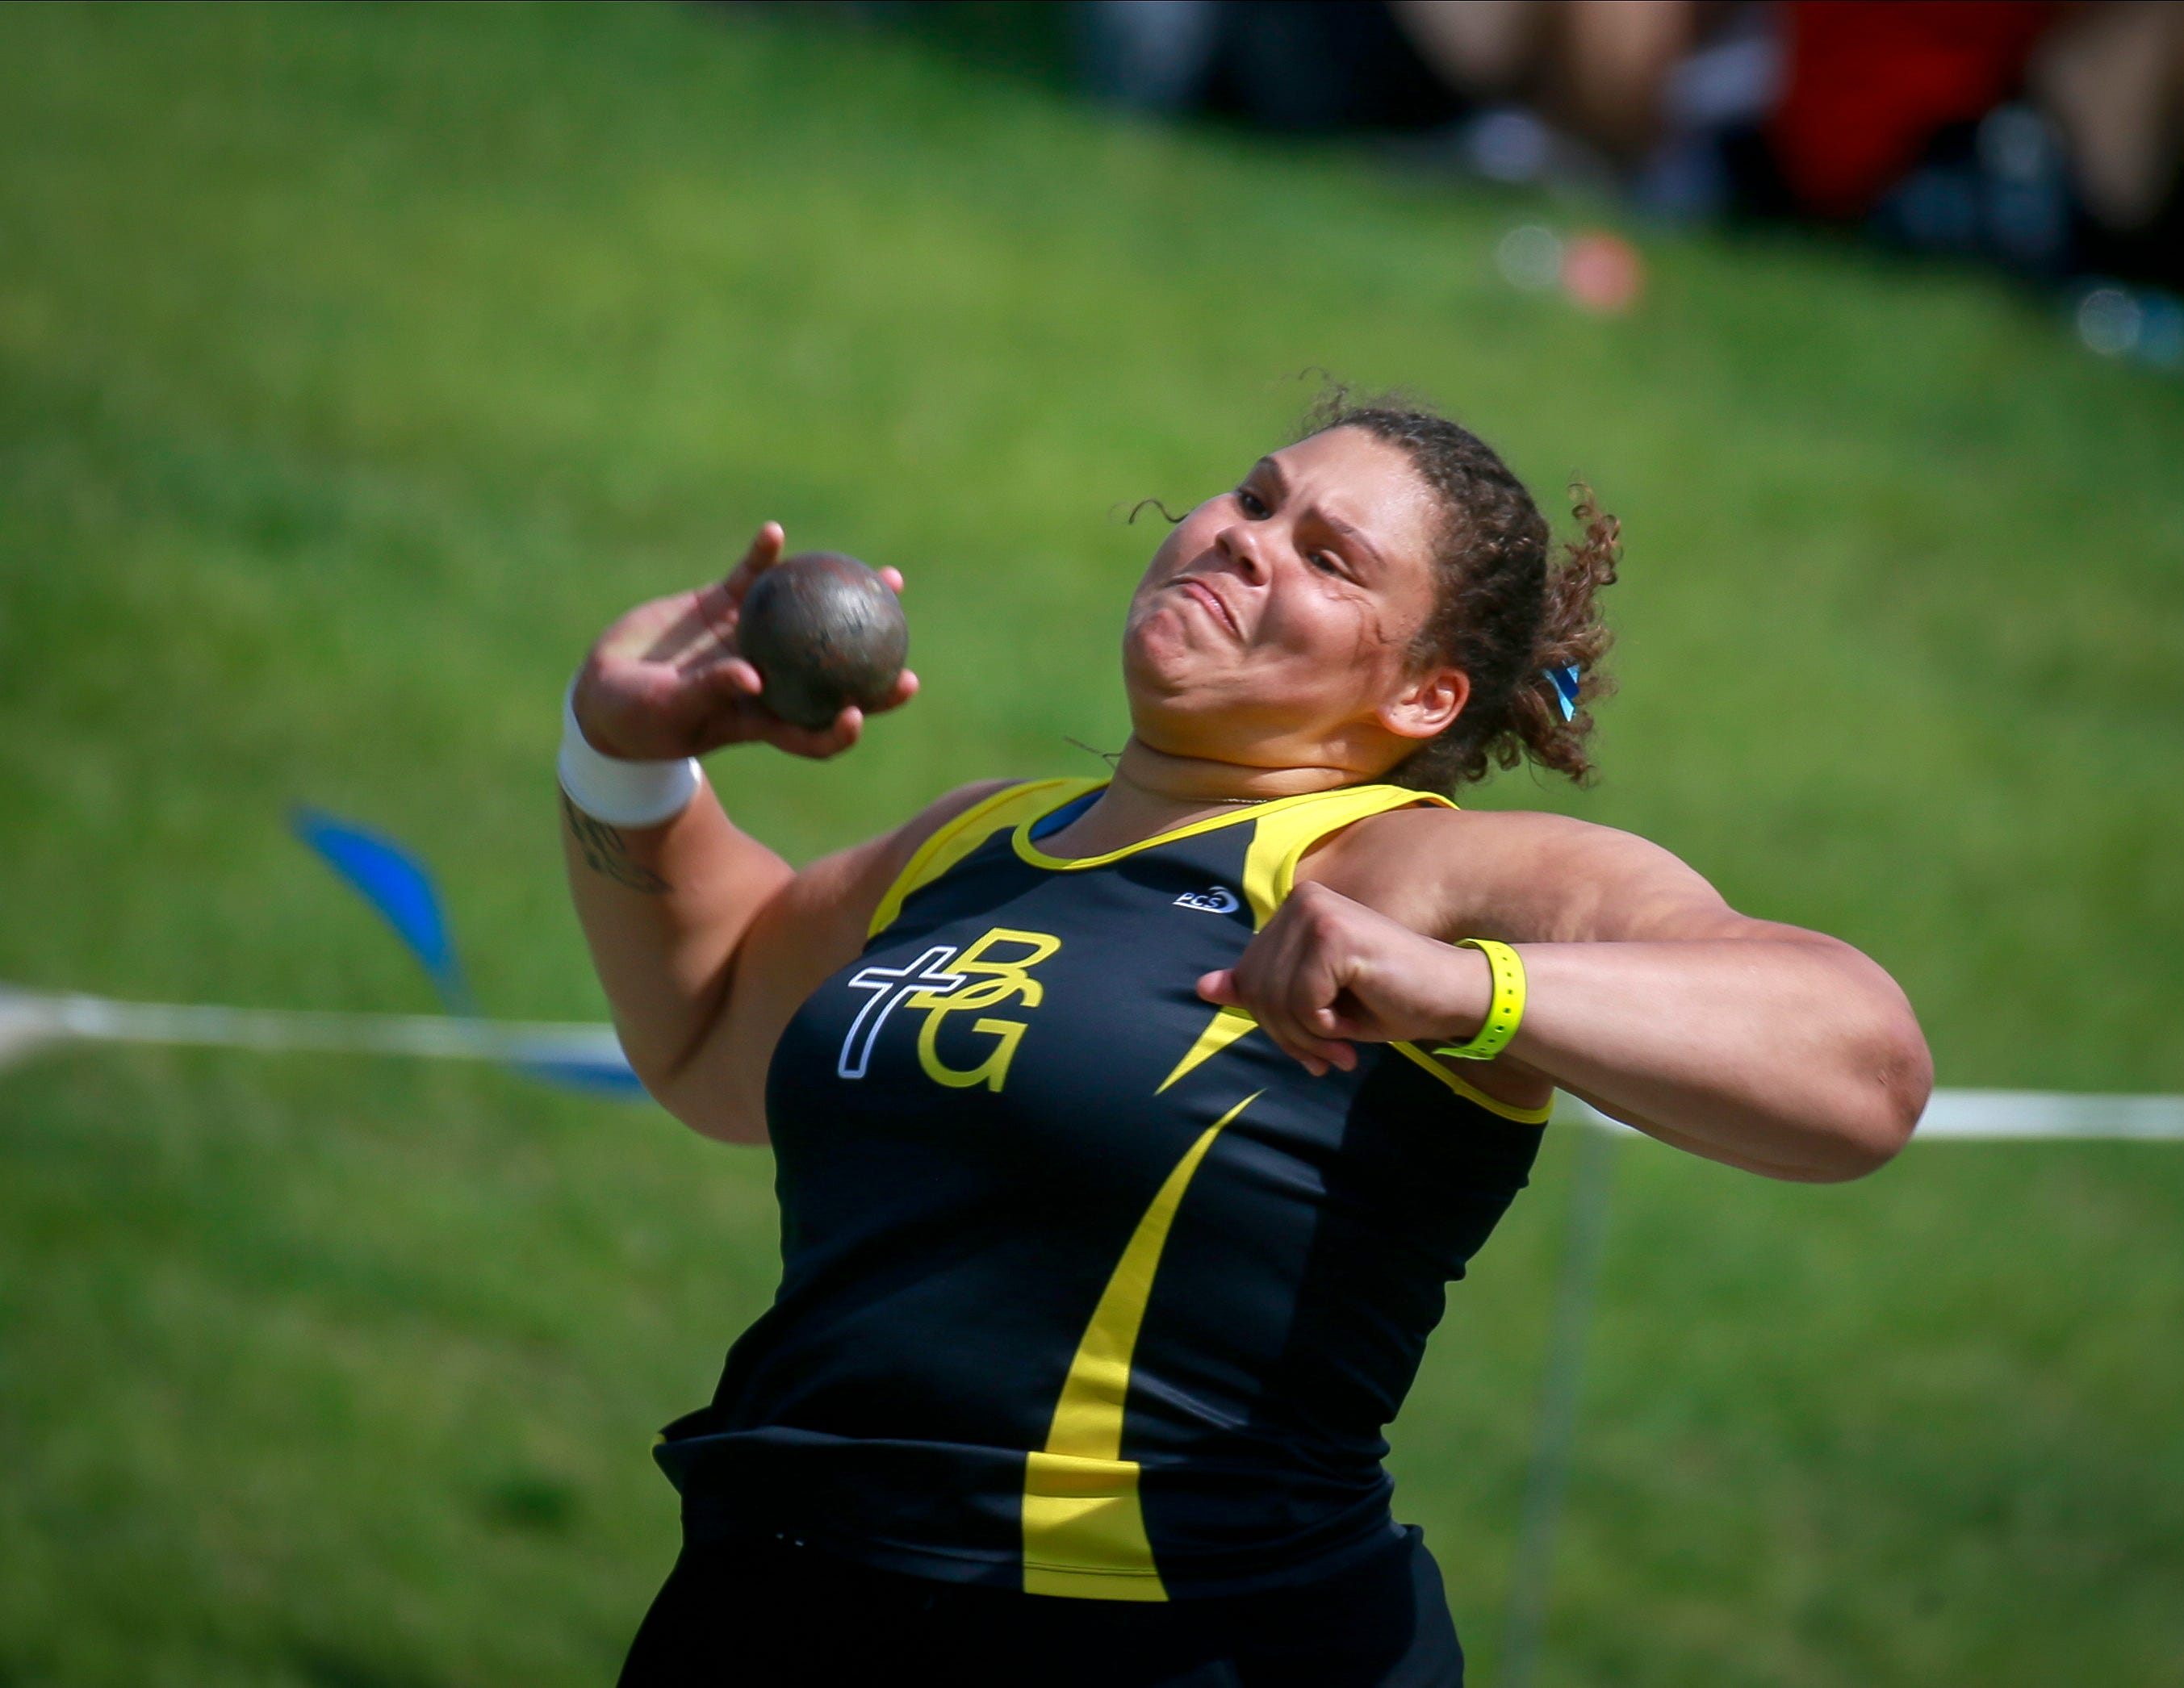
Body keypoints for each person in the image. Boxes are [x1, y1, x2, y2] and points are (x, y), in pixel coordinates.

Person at [559, 395, 1933, 1686]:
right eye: (1255, 497)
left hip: (1181, 1644)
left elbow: (1861, 1066)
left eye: (1327, 557)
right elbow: (713, 1037)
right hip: (773, 1607)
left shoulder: (1415, 877)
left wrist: (1469, 991)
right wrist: (625, 765)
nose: (1242, 538)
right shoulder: (978, 842)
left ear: (1422, 700)